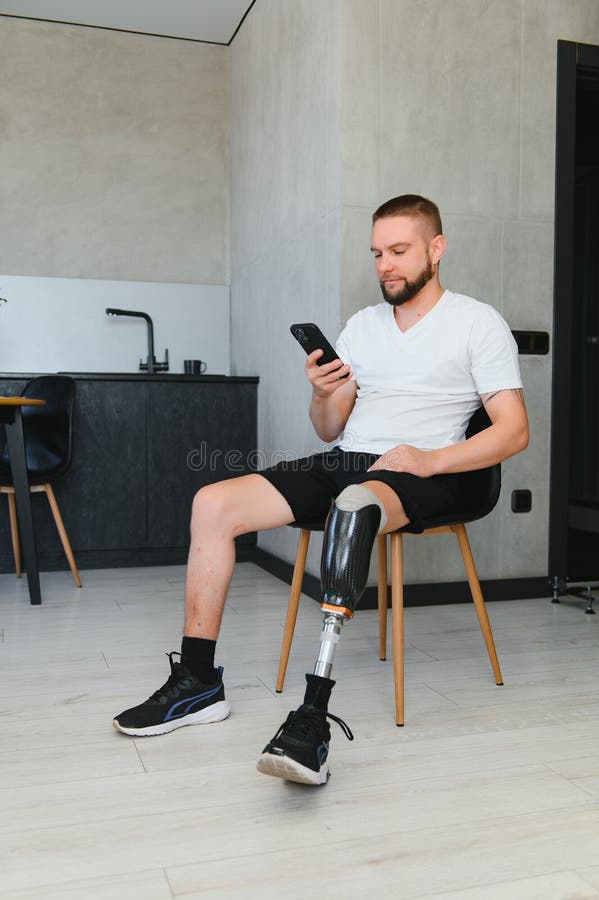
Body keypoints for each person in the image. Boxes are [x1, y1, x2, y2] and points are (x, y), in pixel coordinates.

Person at [113, 194, 528, 786]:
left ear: (436, 249)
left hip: (421, 470)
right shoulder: (362, 325)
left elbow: (514, 431)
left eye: (399, 250)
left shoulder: (476, 322)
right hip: (347, 458)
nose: (385, 265)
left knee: (353, 507)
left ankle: (312, 714)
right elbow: (329, 429)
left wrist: (429, 459)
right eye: (377, 253)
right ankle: (198, 682)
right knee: (213, 503)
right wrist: (321, 391)